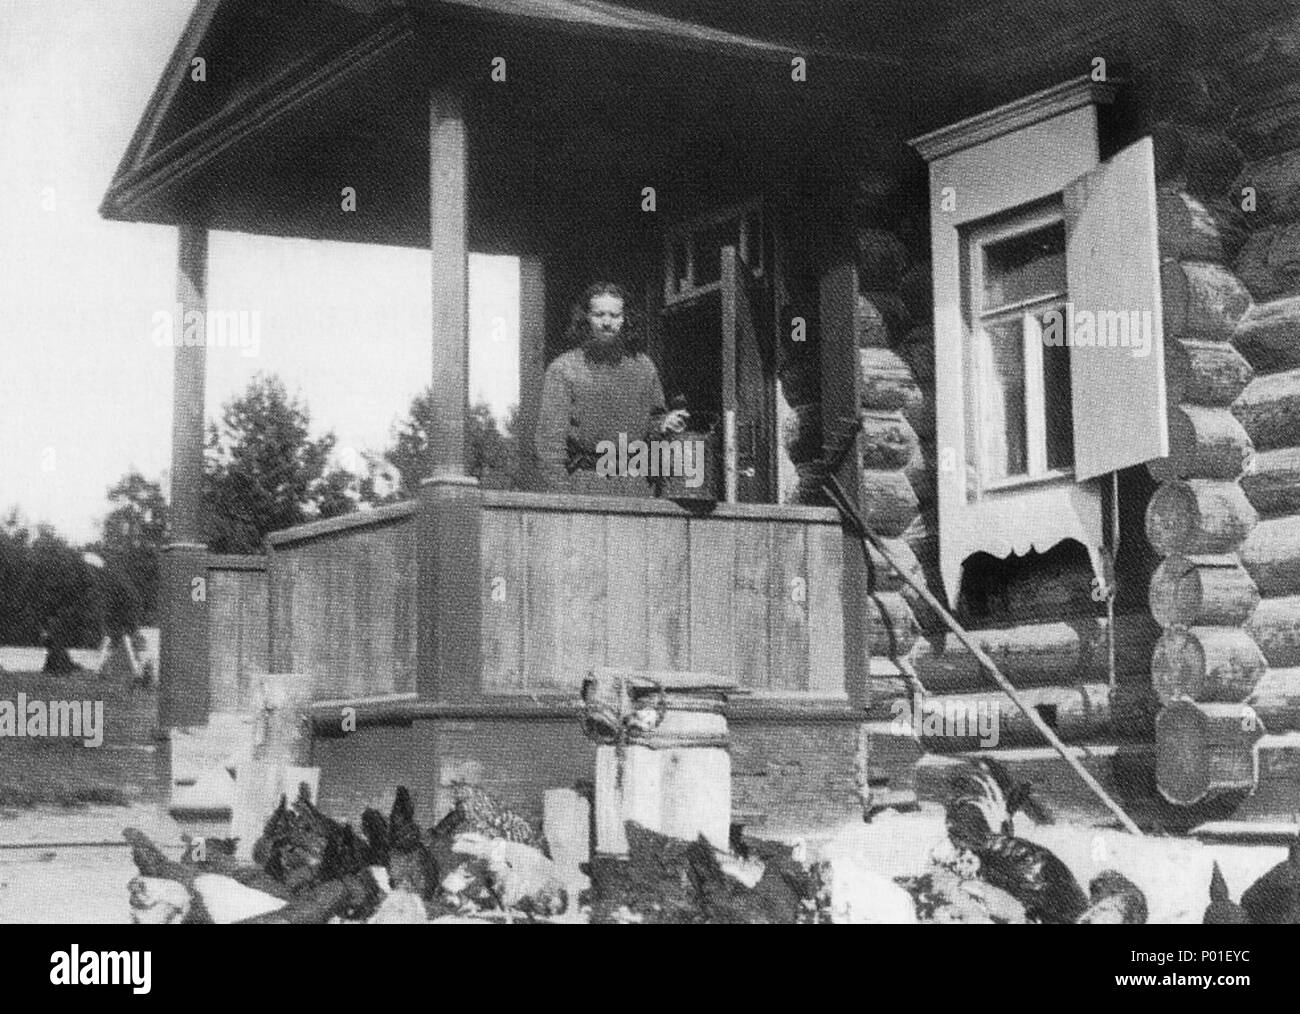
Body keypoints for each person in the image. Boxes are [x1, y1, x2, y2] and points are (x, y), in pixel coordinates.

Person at [536, 282, 687, 497]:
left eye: (615, 315)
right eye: (599, 314)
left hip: (636, 487)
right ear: (586, 318)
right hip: (585, 487)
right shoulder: (564, 369)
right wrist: (562, 500)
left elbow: (654, 426)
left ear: (625, 319)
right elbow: (549, 445)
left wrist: (664, 424)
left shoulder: (643, 367)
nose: (607, 322)